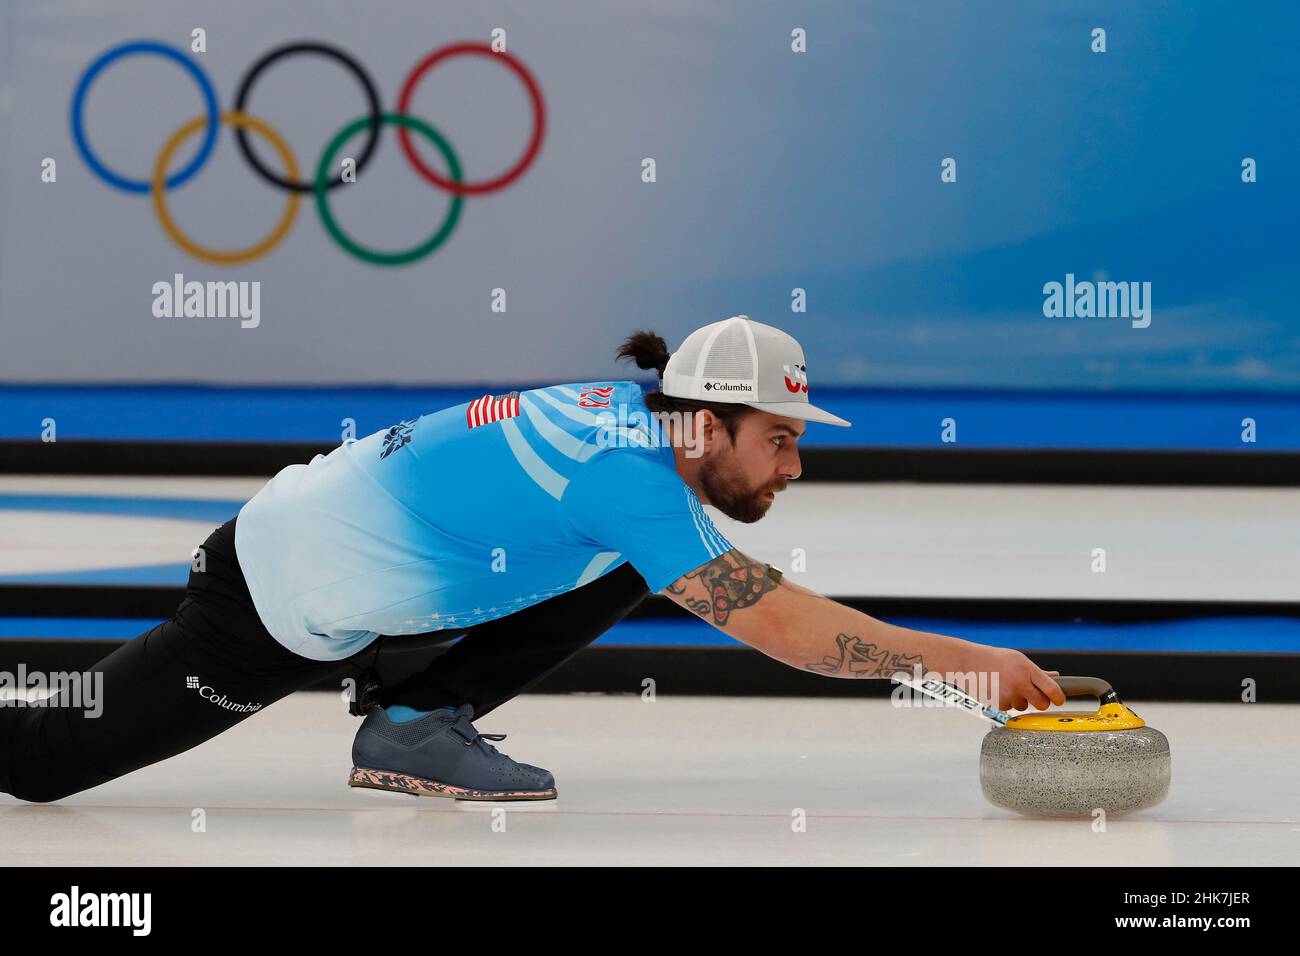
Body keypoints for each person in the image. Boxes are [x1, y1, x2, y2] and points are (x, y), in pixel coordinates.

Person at [0, 315, 1064, 803]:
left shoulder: (637, 432)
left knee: (639, 560)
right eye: (779, 439)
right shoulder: (625, 474)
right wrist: (967, 663)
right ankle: (411, 716)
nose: (794, 464)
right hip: (271, 601)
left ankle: (415, 719)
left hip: (355, 593)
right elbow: (781, 625)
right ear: (708, 423)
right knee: (39, 762)